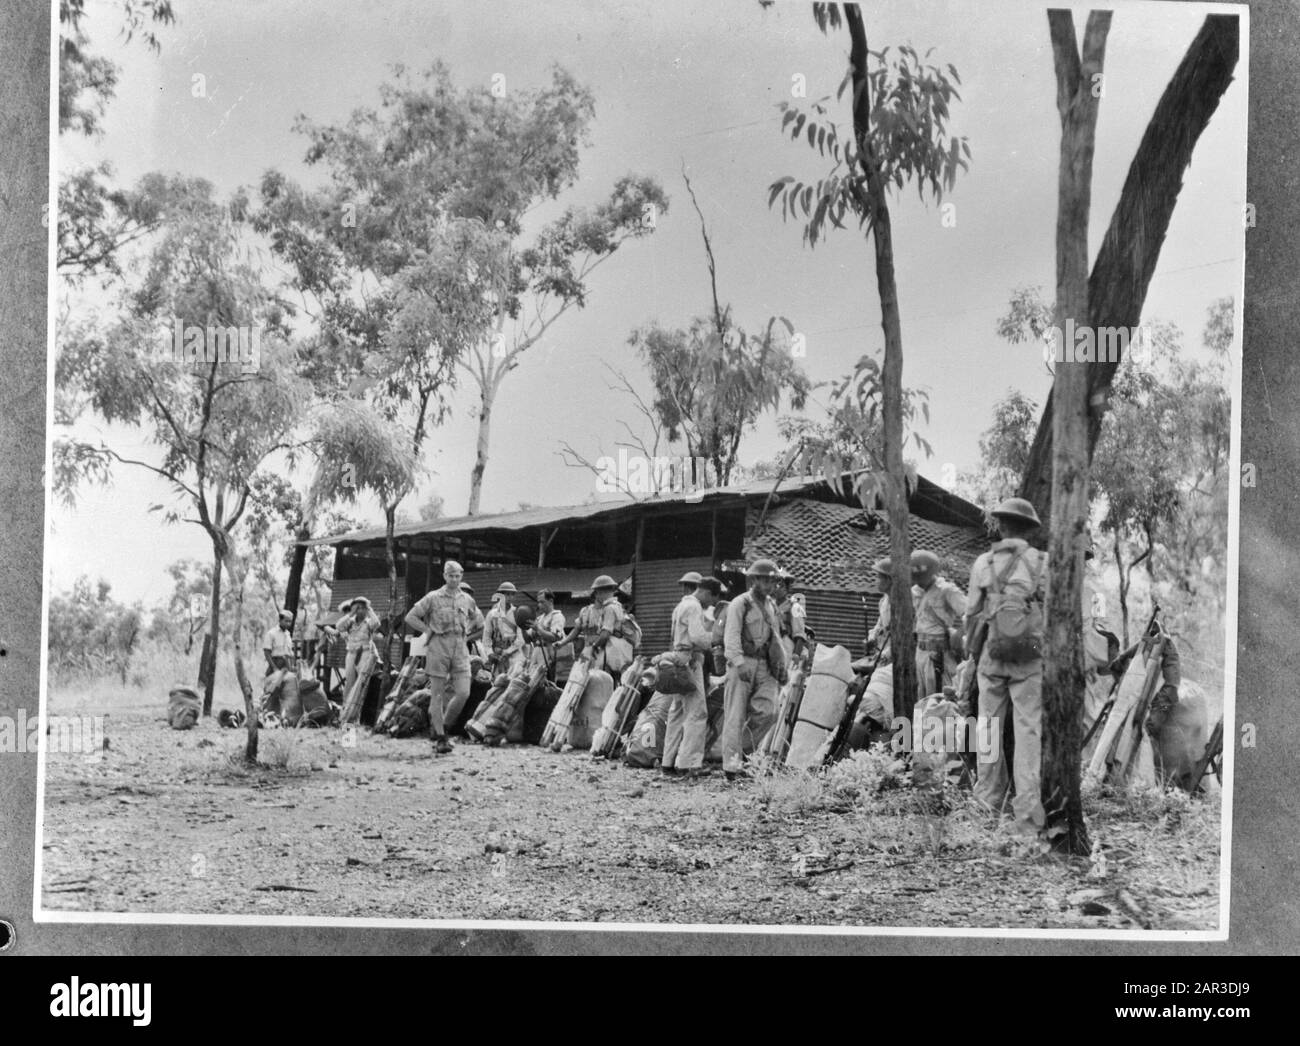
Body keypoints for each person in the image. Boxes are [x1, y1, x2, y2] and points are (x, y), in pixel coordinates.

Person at [965, 497, 1048, 837]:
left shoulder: (984, 562)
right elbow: (1053, 614)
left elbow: (971, 614)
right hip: (1029, 653)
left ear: (1000, 526)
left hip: (992, 652)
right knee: (1028, 733)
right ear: (1029, 529)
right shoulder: (1042, 563)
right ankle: (1028, 817)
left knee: (988, 729)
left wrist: (972, 653)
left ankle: (987, 805)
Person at [404, 561, 485, 755]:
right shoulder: (433, 597)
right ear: (444, 576)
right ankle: (440, 737)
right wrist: (428, 630)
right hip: (438, 647)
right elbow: (411, 617)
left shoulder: (466, 599)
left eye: (458, 576)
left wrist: (468, 636)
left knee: (463, 692)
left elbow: (480, 623)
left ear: (462, 576)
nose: (454, 579)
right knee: (438, 694)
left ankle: (444, 728)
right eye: (451, 576)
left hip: (460, 649)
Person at [721, 559, 789, 781]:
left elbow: (775, 638)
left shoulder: (771, 605)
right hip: (743, 661)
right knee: (735, 714)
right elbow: (731, 635)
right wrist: (738, 663)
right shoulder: (740, 603)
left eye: (772, 580)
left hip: (765, 664)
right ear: (754, 580)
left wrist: (780, 665)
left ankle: (746, 755)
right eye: (765, 580)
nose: (769, 585)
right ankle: (731, 768)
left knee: (769, 712)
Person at [661, 576, 721, 779]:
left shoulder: (681, 605)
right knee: (697, 712)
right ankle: (689, 764)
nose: (710, 605)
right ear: (706, 592)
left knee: (676, 713)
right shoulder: (694, 607)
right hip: (690, 659)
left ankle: (667, 762)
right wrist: (715, 639)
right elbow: (697, 637)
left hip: (678, 657)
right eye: (712, 600)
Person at [911, 550, 967, 701]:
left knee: (941, 698)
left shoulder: (947, 590)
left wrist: (959, 634)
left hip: (939, 654)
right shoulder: (913, 592)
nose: (917, 580)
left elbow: (970, 614)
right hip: (920, 652)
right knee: (921, 697)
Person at [563, 575, 628, 675]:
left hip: (603, 651)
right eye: (605, 591)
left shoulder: (611, 608)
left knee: (598, 680)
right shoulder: (586, 611)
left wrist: (594, 646)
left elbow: (605, 634)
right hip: (592, 650)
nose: (610, 594)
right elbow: (577, 629)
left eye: (610, 590)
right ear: (597, 593)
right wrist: (563, 642)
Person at [337, 597, 382, 701]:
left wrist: (369, 610)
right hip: (351, 654)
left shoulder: (369, 622)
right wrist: (351, 614)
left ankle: (360, 706)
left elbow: (377, 623)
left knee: (362, 681)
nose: (360, 610)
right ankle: (346, 706)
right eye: (358, 608)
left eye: (363, 608)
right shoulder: (350, 622)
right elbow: (338, 626)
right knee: (349, 681)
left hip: (364, 653)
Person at [531, 589, 572, 683]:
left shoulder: (557, 616)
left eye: (542, 602)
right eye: (538, 602)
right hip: (537, 652)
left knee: (547, 682)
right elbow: (530, 638)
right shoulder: (539, 618)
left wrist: (538, 629)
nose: (539, 605)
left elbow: (555, 637)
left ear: (551, 601)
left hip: (549, 653)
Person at [483, 582, 523, 675]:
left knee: (514, 680)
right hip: (497, 655)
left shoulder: (518, 613)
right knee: (498, 683)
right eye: (506, 594)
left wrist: (507, 652)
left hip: (515, 654)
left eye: (512, 594)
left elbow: (521, 638)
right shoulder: (492, 614)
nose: (509, 597)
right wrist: (490, 653)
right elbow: (486, 636)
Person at [774, 569, 810, 662]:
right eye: (774, 585)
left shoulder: (794, 606)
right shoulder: (769, 605)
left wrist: (796, 654)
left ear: (787, 588)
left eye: (780, 586)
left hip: (786, 648)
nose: (776, 589)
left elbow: (800, 635)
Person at [865, 558, 894, 662]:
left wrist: (884, 655)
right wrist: (872, 638)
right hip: (883, 655)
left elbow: (907, 640)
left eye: (879, 577)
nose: (876, 581)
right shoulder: (884, 602)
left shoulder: (903, 605)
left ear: (889, 580)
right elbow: (879, 625)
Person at [263, 609, 295, 676]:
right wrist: (274, 668)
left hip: (287, 666)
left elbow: (290, 652)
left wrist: (292, 666)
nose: (288, 624)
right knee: (273, 684)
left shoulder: (288, 634)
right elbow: (267, 653)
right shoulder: (271, 633)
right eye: (286, 621)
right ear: (280, 620)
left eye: (290, 621)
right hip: (275, 664)